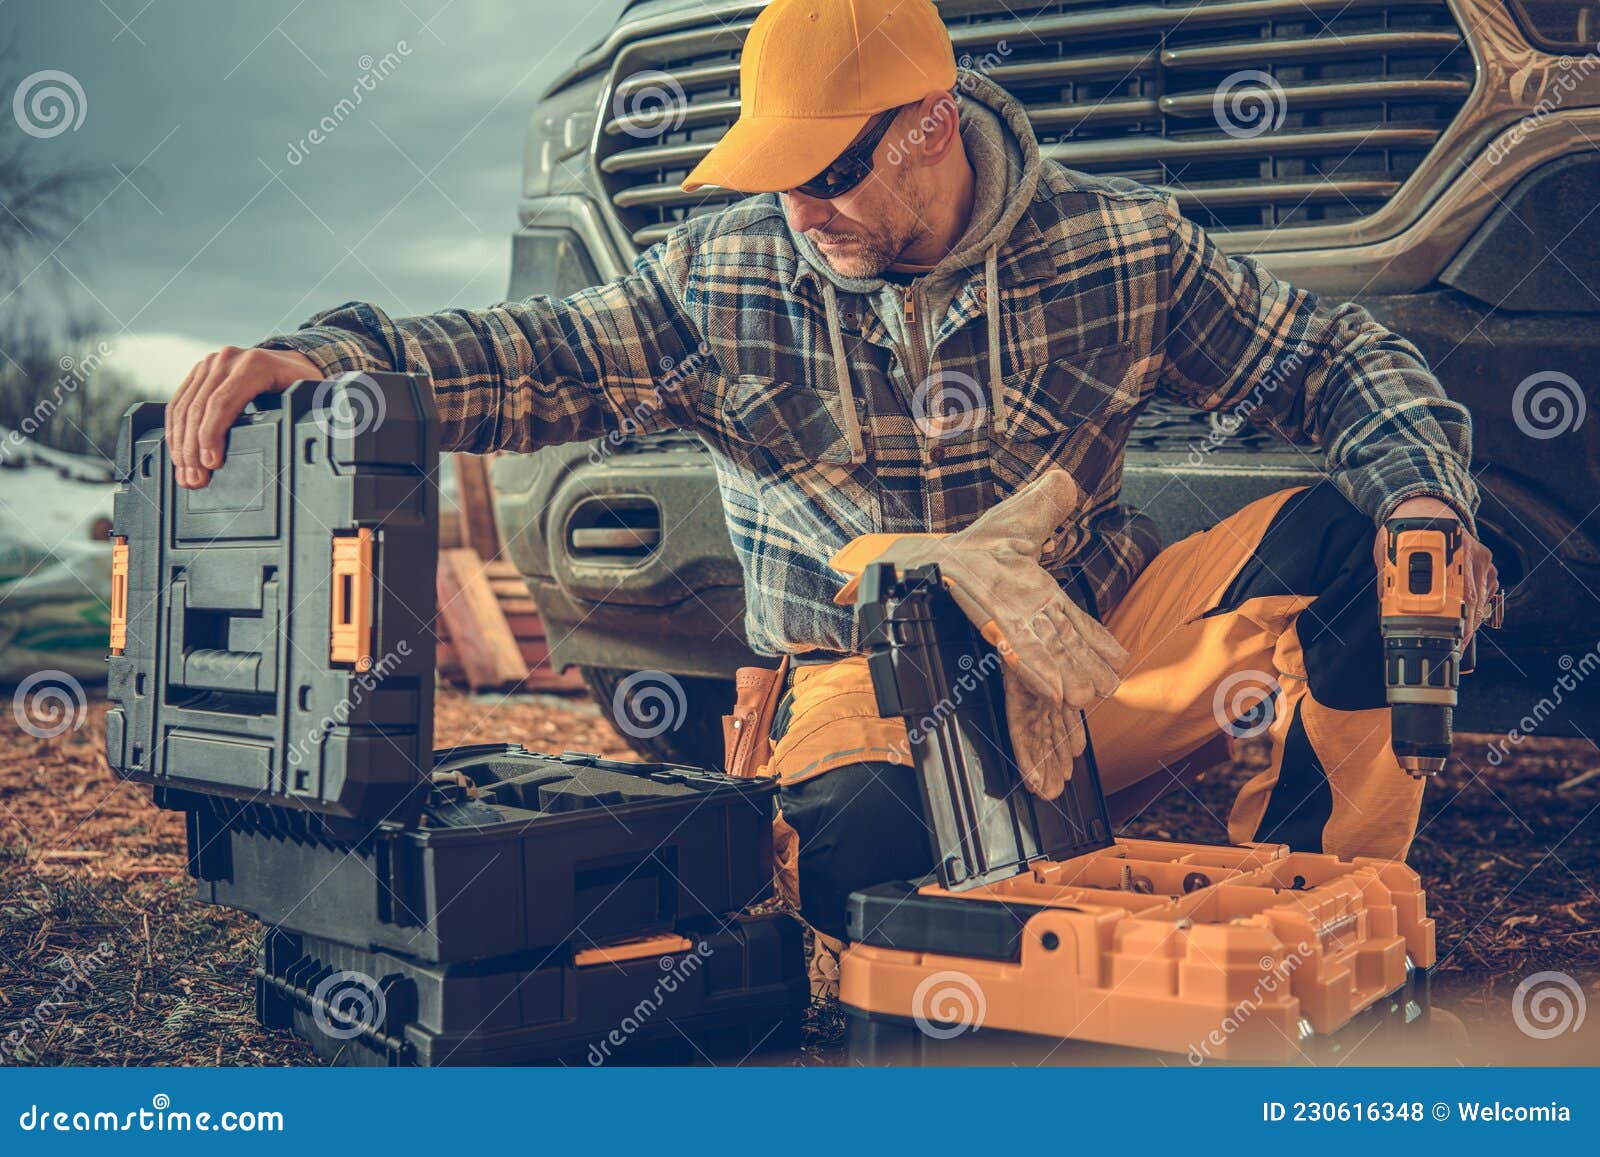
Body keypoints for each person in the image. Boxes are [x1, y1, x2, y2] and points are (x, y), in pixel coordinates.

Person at [165, 0, 1498, 942]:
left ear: (930, 122)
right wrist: (340, 358)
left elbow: (1334, 355)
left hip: (1087, 657)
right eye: (776, 174)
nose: (799, 211)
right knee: (876, 863)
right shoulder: (725, 273)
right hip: (862, 697)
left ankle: (1309, 927)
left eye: (829, 171)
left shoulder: (1123, 250)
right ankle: (1008, 886)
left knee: (1347, 547)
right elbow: (539, 358)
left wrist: (1425, 489)